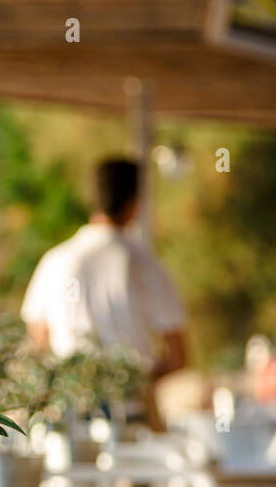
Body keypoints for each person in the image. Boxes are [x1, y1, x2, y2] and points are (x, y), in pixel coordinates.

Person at [21, 157, 187, 423]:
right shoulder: (146, 265)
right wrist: (139, 381)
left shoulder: (55, 261)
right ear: (135, 203)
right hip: (130, 414)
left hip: (69, 414)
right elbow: (178, 356)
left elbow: (37, 344)